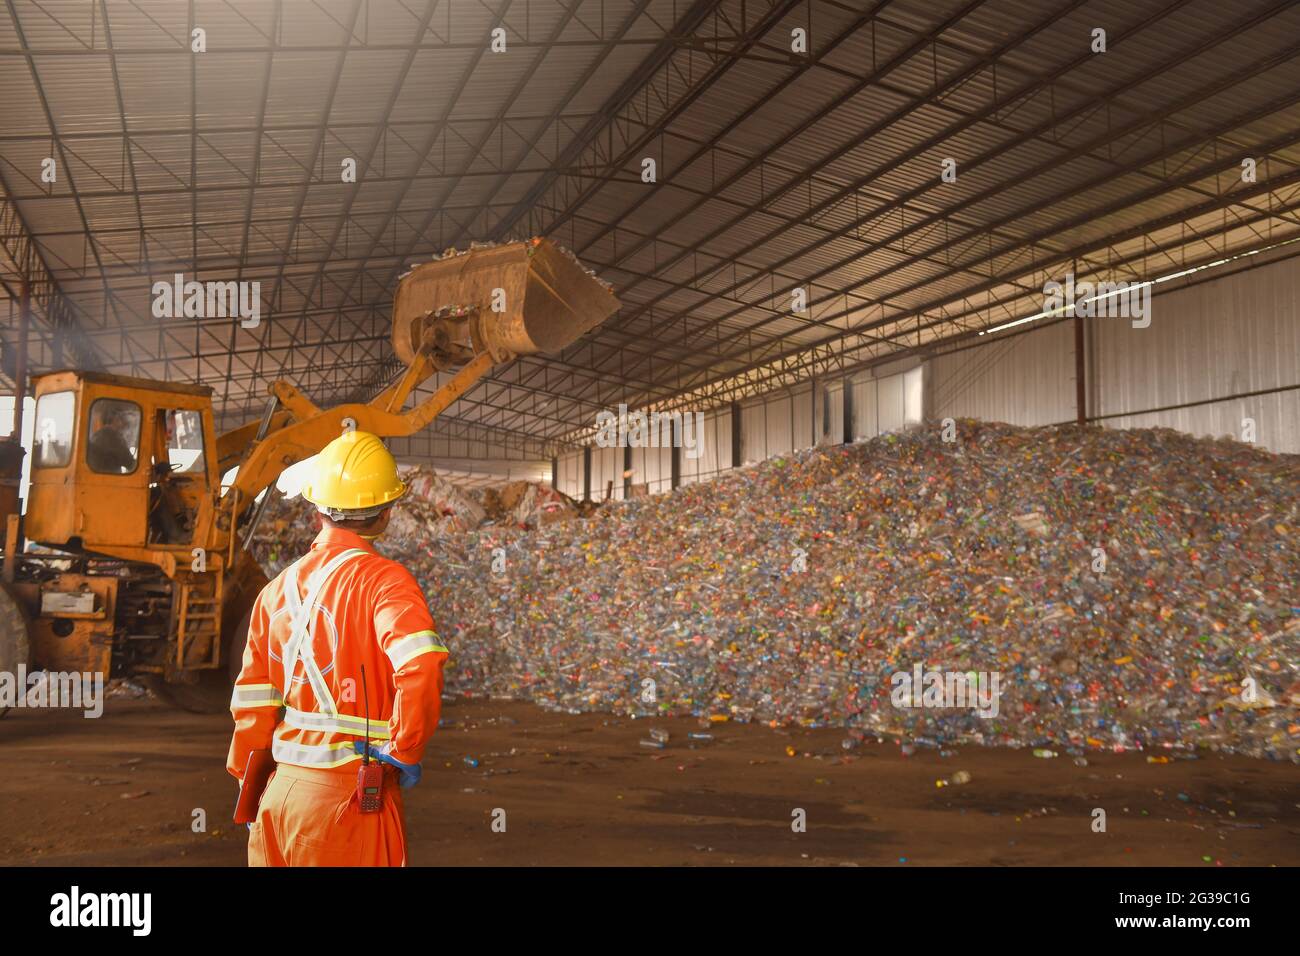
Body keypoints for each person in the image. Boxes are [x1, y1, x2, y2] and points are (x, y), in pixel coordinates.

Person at [227, 430, 448, 866]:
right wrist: (405, 749)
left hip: (277, 797)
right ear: (385, 513)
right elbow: (420, 664)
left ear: (317, 510)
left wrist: (246, 781)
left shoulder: (275, 591)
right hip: (347, 803)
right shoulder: (386, 582)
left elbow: (252, 698)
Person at [86, 405, 137, 473]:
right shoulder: (113, 437)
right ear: (116, 420)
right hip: (109, 479)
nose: (125, 424)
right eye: (122, 419)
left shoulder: (97, 435)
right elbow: (130, 464)